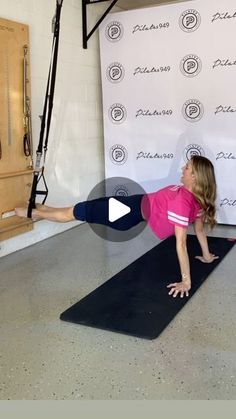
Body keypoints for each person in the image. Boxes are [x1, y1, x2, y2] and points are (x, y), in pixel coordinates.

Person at [15, 155, 219, 298]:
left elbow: (181, 244)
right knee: (80, 208)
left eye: (187, 167)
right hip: (133, 203)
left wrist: (186, 281)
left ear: (195, 177)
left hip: (125, 214)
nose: (183, 168)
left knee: (75, 213)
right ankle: (42, 208)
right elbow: (199, 229)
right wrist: (207, 256)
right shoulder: (195, 198)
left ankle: (33, 213)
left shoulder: (182, 202)